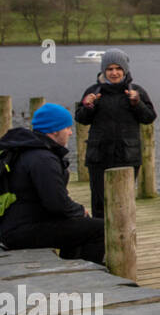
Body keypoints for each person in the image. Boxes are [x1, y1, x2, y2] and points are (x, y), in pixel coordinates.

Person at [0, 103, 105, 264]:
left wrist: (77, 213)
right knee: (102, 229)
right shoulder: (43, 158)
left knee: (78, 226)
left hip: (15, 225)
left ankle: (71, 270)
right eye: (67, 128)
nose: (70, 132)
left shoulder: (28, 150)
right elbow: (57, 203)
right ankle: (85, 276)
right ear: (55, 130)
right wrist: (80, 210)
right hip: (20, 232)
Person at [75, 48, 157, 219]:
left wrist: (137, 103)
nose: (114, 73)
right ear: (104, 70)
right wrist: (88, 106)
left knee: (123, 202)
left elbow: (149, 118)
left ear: (125, 69)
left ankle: (125, 241)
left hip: (127, 156)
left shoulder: (136, 91)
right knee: (99, 203)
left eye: (118, 68)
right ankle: (100, 240)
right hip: (98, 156)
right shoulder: (94, 91)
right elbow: (81, 119)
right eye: (110, 69)